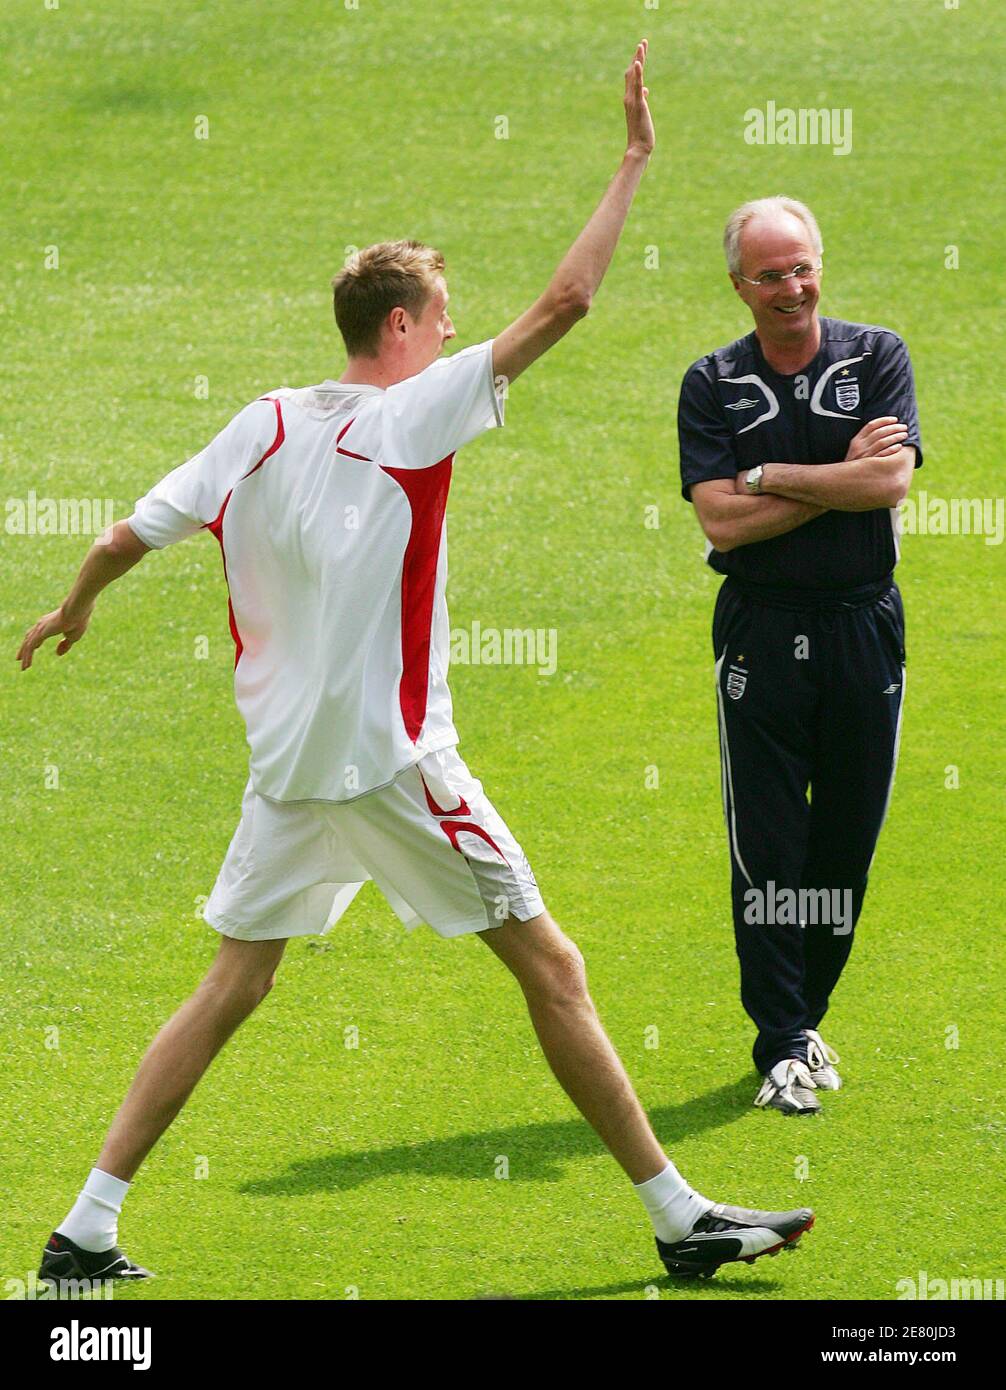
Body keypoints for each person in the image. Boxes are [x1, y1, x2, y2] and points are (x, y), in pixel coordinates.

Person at [21, 47, 813, 1287]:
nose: (455, 335)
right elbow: (566, 307)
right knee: (552, 965)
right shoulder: (409, 416)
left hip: (288, 769)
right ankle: (678, 1220)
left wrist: (74, 604)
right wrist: (634, 162)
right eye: (442, 320)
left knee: (233, 983)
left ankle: (84, 1230)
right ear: (401, 329)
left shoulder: (260, 421)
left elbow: (126, 534)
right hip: (390, 760)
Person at [678, 196, 922, 1115]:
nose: (791, 288)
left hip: (865, 626)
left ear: (821, 265)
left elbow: (890, 479)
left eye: (802, 268)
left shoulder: (878, 356)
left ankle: (803, 1020)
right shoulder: (711, 383)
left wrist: (772, 475)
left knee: (846, 841)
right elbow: (720, 521)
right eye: (769, 274)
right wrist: (838, 481)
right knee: (768, 845)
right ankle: (781, 1039)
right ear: (738, 285)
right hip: (762, 634)